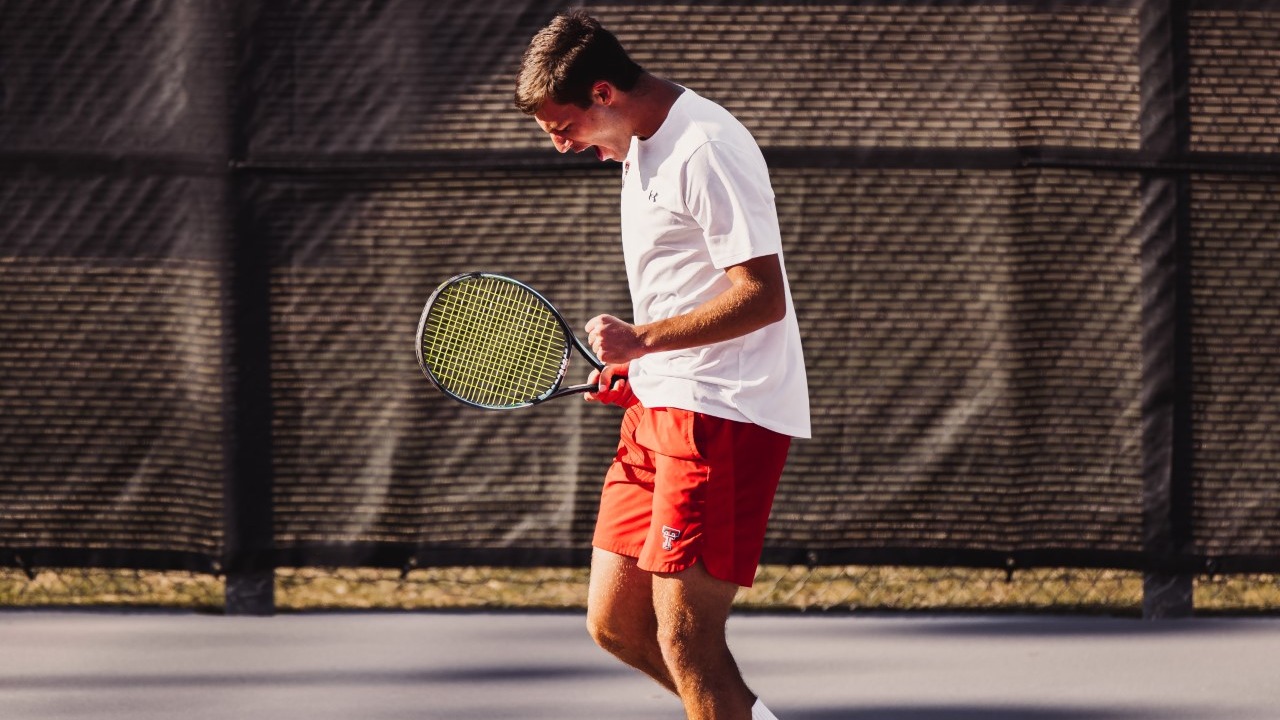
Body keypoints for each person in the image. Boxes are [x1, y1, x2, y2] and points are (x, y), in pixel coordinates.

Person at [515, 11, 810, 720]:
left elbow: (762, 297)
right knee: (617, 624)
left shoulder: (705, 146)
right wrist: (639, 366)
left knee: (686, 638)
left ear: (605, 94)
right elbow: (689, 286)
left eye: (566, 128)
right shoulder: (642, 145)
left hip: (723, 415)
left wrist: (642, 340)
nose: (563, 147)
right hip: (659, 407)